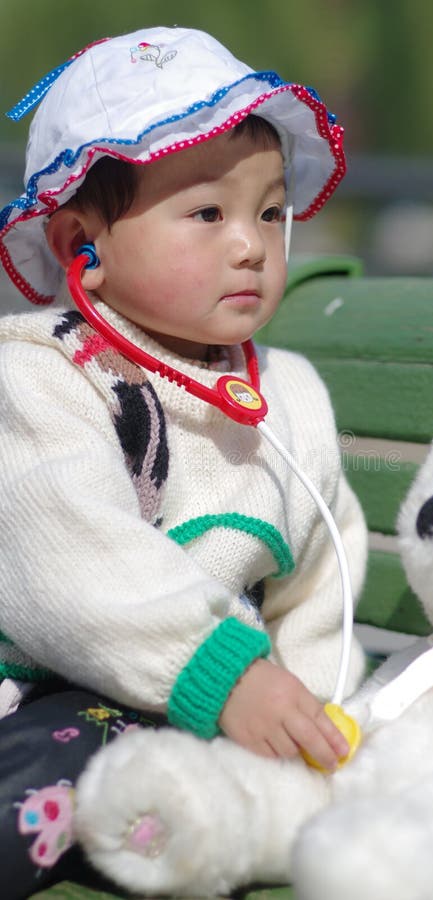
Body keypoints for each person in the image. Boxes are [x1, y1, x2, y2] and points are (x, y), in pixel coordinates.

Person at [0, 25, 367, 896]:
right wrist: (221, 671)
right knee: (51, 776)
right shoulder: (43, 373)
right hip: (61, 688)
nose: (251, 244)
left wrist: (316, 722)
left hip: (213, 716)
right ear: (77, 245)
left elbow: (321, 583)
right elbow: (64, 550)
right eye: (208, 213)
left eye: (270, 213)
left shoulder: (291, 394)